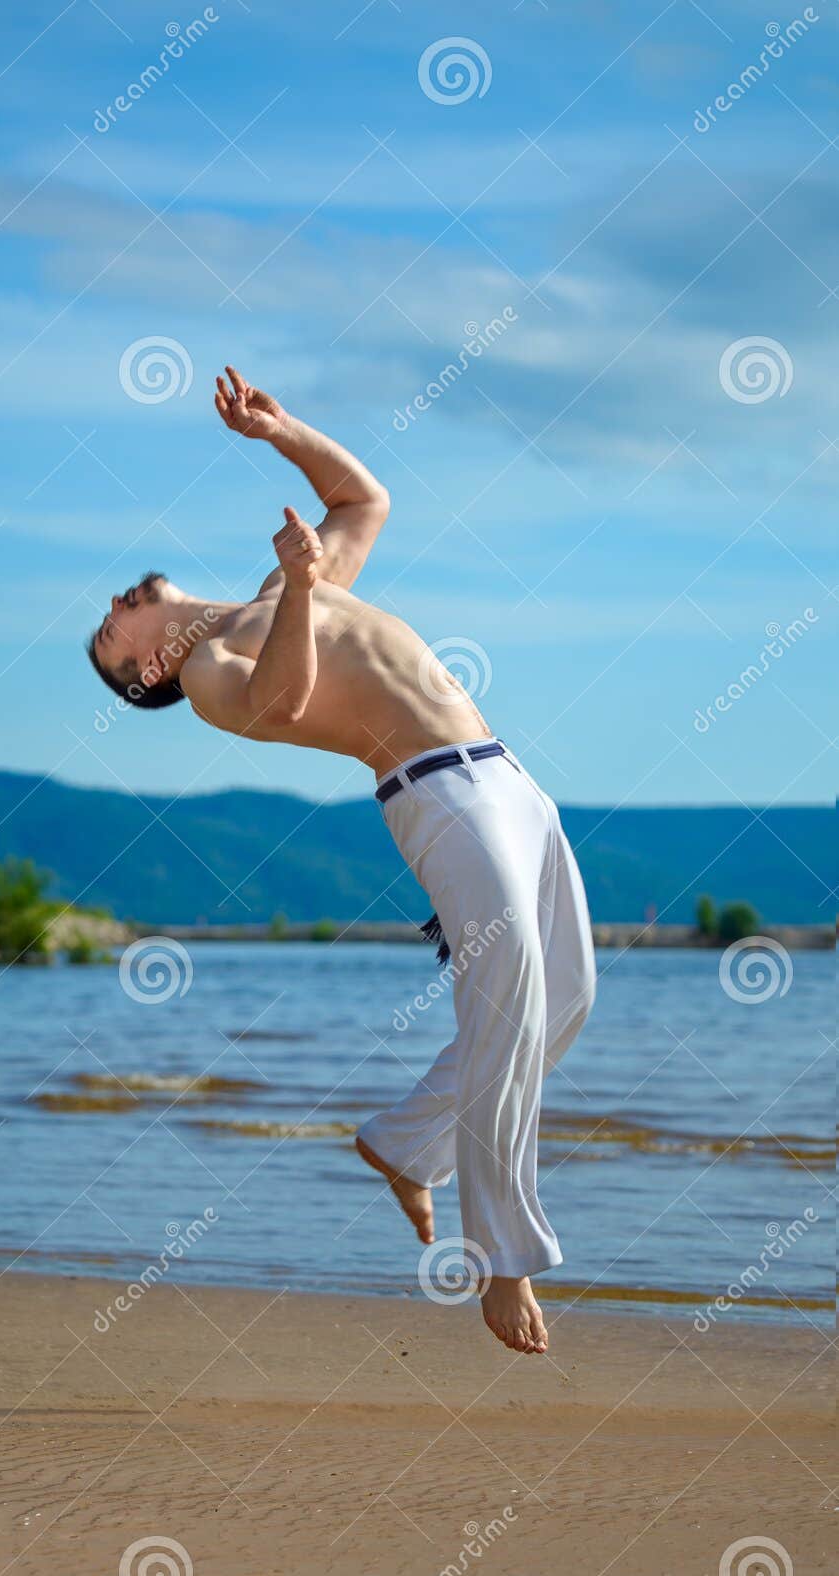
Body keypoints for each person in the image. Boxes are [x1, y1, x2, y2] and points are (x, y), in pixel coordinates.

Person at [88, 366, 596, 1355]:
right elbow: (278, 703)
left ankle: (404, 1143)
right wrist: (304, 590)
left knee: (565, 996)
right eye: (114, 631)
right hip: (437, 793)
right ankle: (501, 1258)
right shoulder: (203, 673)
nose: (119, 603)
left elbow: (363, 499)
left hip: (507, 775)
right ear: (145, 667)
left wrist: (277, 430)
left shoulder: (275, 590)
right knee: (506, 997)